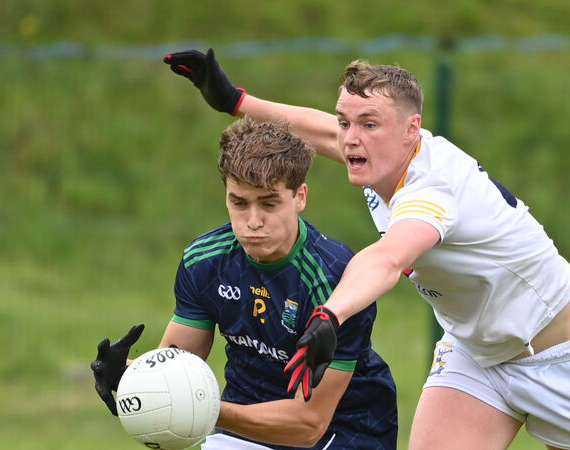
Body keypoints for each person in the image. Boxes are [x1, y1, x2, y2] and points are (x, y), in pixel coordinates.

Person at [162, 48, 570, 450]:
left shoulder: (432, 190)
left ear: (412, 131)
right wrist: (234, 100)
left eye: (369, 125)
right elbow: (320, 131)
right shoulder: (379, 155)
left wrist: (332, 310)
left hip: (562, 355)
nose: (351, 138)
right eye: (347, 122)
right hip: (477, 354)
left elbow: (389, 257)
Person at [91, 118, 398, 449]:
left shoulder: (338, 279)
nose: (253, 222)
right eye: (239, 203)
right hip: (243, 421)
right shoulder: (205, 261)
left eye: (268, 203)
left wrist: (201, 409)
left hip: (344, 430)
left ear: (300, 197)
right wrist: (131, 375)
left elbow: (308, 424)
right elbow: (180, 363)